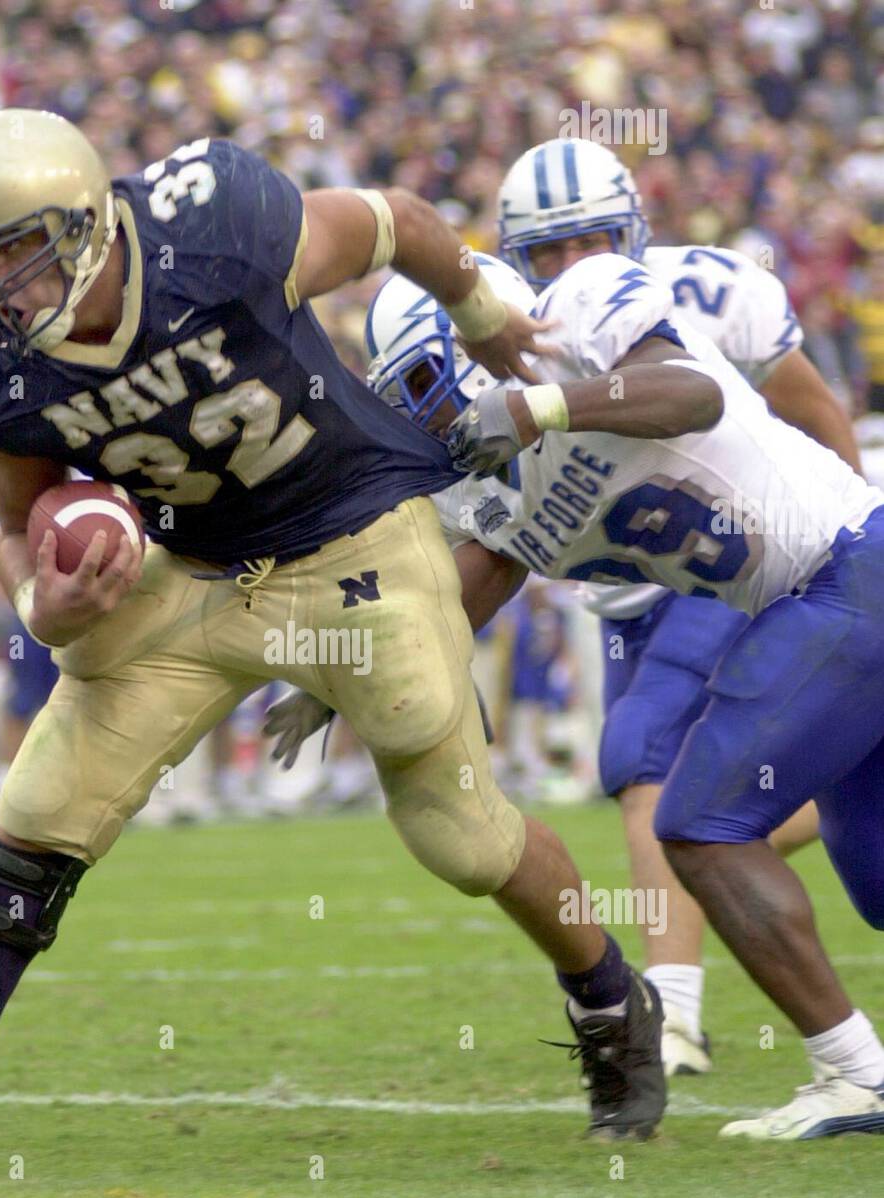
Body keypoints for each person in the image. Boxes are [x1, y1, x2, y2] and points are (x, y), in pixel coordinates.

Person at [0, 111, 664, 1157]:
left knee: (461, 836)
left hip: (353, 539)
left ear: (81, 224)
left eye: (16, 251)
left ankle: (612, 999)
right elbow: (19, 514)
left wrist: (477, 310)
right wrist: (45, 603)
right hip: (190, 566)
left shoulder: (206, 228)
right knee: (45, 792)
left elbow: (394, 221)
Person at [350, 251, 884, 1140]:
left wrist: (534, 404)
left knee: (700, 824)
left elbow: (692, 394)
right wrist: (339, 676)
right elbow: (456, 600)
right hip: (819, 607)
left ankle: (856, 1074)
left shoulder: (583, 310)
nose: (426, 411)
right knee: (877, 884)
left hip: (848, 569)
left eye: (420, 379)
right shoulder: (486, 484)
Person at [496, 137, 863, 1074]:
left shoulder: (689, 292)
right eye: (549, 253)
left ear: (634, 232)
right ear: (513, 262)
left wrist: (864, 537)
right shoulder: (518, 353)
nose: (577, 268)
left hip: (784, 563)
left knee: (660, 769)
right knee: (860, 859)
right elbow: (490, 559)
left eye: (594, 242)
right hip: (643, 594)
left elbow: (797, 402)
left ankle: (686, 1013)